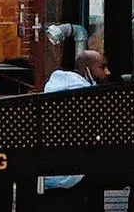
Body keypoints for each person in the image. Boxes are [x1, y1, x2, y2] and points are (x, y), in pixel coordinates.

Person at [39, 46, 110, 193]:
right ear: (87, 70)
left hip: (47, 170)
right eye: (102, 67)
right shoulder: (85, 97)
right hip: (72, 173)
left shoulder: (54, 88)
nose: (107, 72)